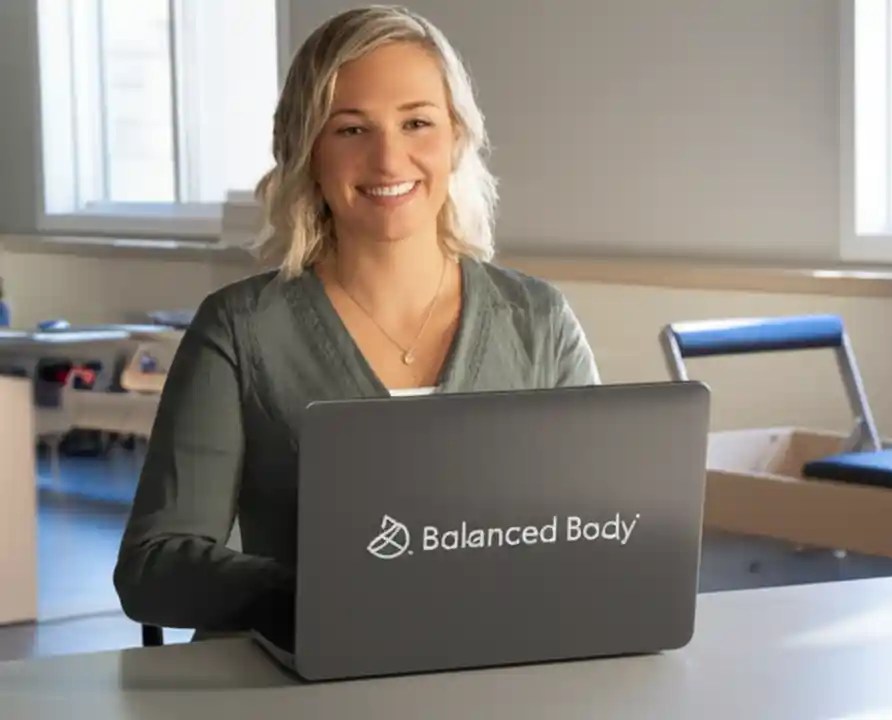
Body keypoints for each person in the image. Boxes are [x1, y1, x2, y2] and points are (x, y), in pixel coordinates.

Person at [113, 5, 600, 645]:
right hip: (298, 689)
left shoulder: (540, 323)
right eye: (350, 130)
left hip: (498, 679)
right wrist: (315, 591)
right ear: (305, 149)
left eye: (417, 123)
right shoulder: (239, 330)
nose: (388, 159)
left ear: (455, 138)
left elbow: (597, 537)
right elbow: (154, 566)